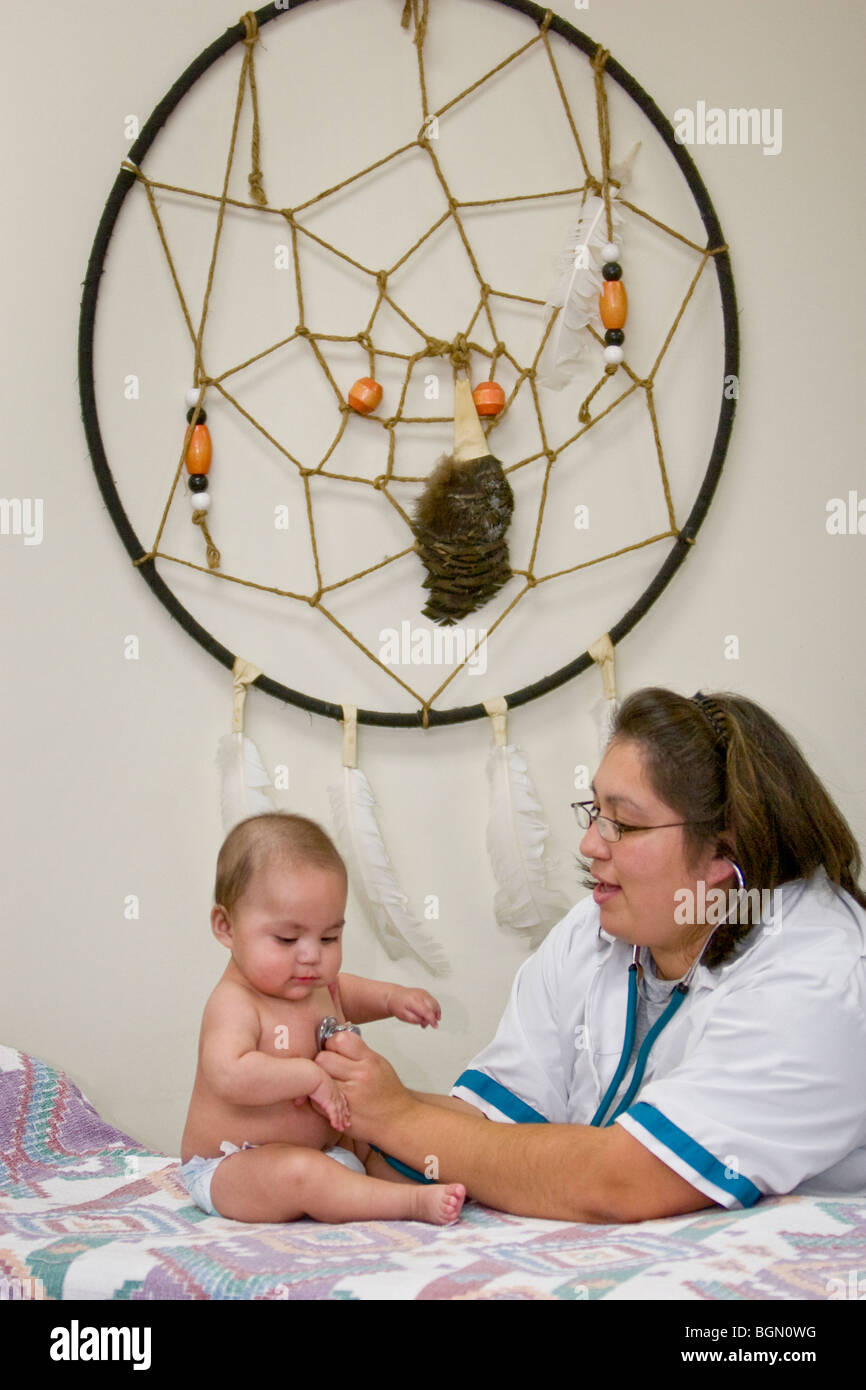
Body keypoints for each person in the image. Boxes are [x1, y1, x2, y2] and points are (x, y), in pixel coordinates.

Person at [318, 688, 866, 1223]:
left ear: (725, 848)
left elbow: (621, 1181)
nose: (589, 845)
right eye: (594, 810)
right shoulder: (598, 928)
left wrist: (396, 1118)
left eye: (622, 824)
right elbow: (488, 1129)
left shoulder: (816, 976)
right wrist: (344, 1105)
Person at [179, 813, 466, 1225]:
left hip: (329, 1150)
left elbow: (348, 992)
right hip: (235, 1168)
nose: (312, 955)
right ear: (226, 927)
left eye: (329, 937)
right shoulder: (236, 1003)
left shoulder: (318, 986)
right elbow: (230, 1073)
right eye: (287, 939)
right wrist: (310, 1077)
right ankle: (408, 1206)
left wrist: (394, 999)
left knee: (388, 1138)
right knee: (303, 1174)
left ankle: (432, 1181)